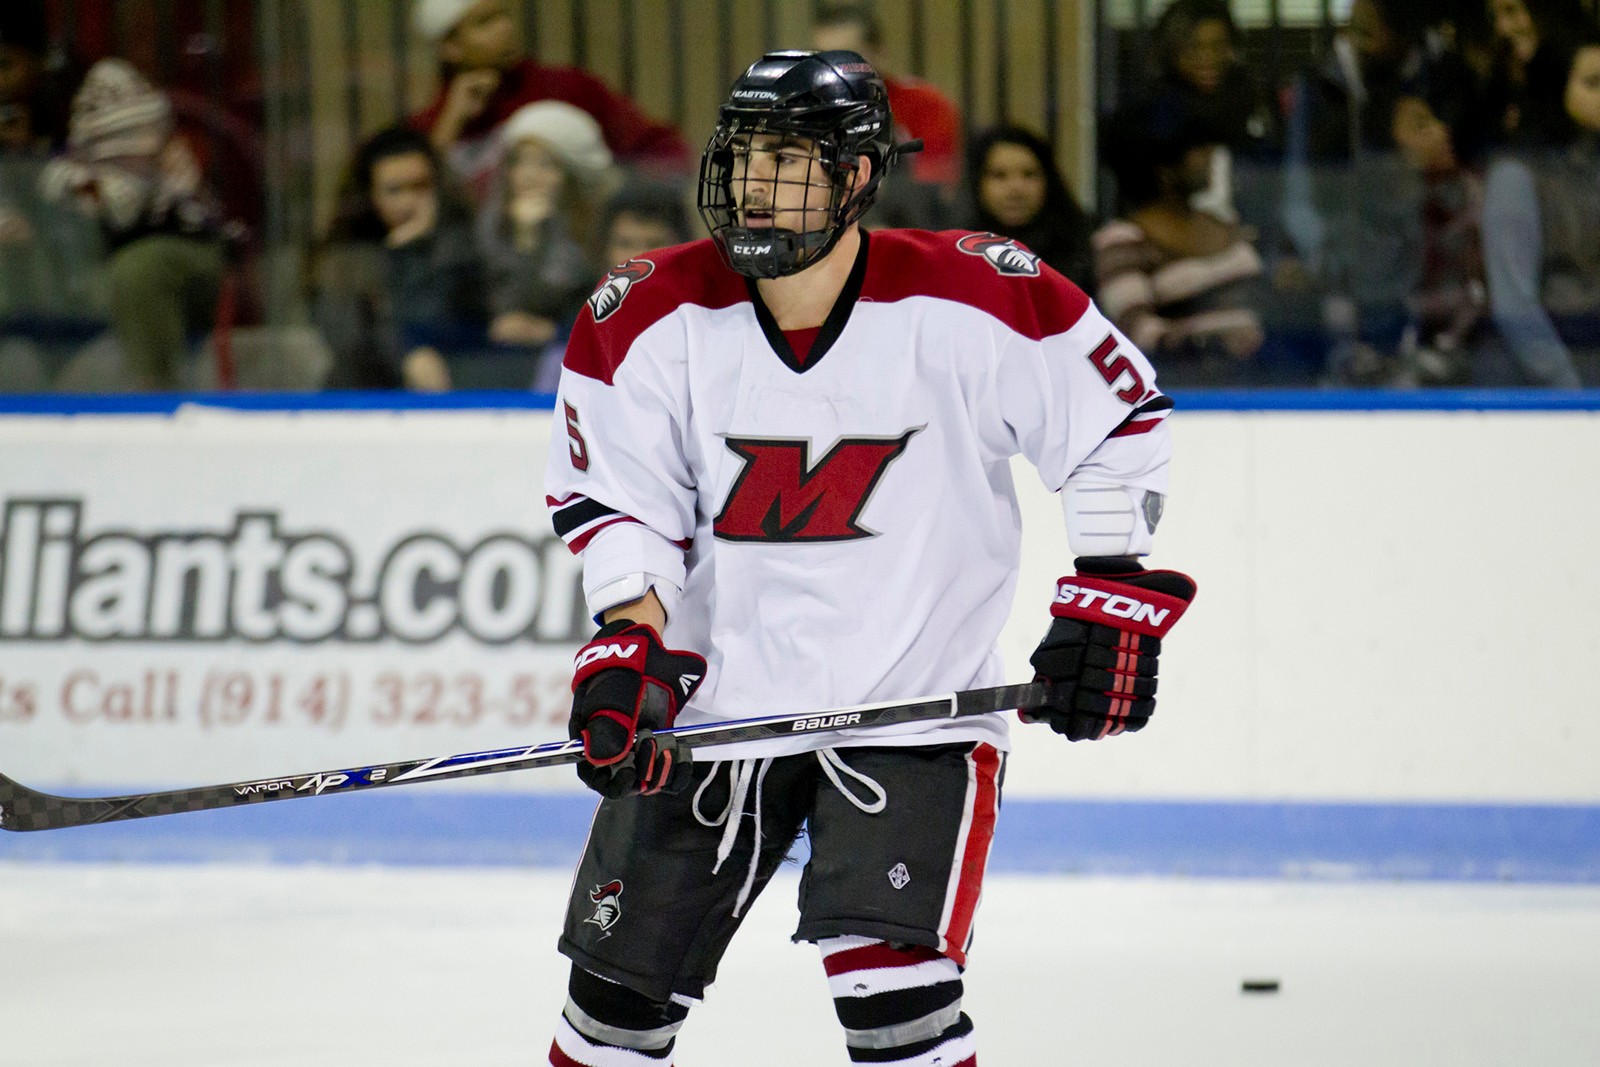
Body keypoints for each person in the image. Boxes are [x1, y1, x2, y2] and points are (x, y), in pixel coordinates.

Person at [541, 49, 1196, 1067]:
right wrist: (632, 637)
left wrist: (1109, 591)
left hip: (914, 702)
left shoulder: (972, 295)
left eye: (790, 160)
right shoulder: (649, 314)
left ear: (854, 177)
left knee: (891, 994)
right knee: (613, 1003)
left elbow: (1118, 415)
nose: (757, 185)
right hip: (719, 709)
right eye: (746, 156)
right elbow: (621, 498)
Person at [37, 58, 227, 391]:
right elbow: (61, 193)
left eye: (139, 139)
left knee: (140, 267)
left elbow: (128, 203)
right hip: (88, 309)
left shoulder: (168, 164)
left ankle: (157, 395)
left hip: (189, 269)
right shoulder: (70, 174)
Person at [409, 0, 689, 201]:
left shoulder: (567, 89)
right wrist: (452, 122)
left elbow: (662, 153)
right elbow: (412, 198)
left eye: (503, 15)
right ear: (450, 47)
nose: (505, 28)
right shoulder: (428, 125)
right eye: (485, 22)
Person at [1097, 101, 1268, 386]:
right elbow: (1136, 332)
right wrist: (1212, 343)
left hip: (1272, 380)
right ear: (1164, 168)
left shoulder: (1225, 222)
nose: (1211, 157)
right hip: (1190, 391)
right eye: (1198, 150)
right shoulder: (1122, 242)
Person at [312, 124, 485, 390]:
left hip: (453, 398)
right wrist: (399, 255)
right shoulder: (340, 259)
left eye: (420, 187)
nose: (408, 201)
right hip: (361, 401)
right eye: (395, 190)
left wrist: (414, 254)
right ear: (369, 196)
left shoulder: (462, 247)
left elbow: (460, 323)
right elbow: (350, 343)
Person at [1482, 35, 1600, 387]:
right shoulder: (1515, 177)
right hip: (1551, 388)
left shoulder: (1590, 167)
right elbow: (1515, 306)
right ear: (1556, 86)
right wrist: (1571, 394)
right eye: (1592, 83)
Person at [477, 100, 611, 384]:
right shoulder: (487, 225)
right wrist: (524, 240)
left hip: (571, 364)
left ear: (571, 176)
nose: (529, 174)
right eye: (520, 161)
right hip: (490, 361)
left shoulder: (594, 231)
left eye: (547, 165)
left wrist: (553, 331)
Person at [529, 179, 693, 393]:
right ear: (605, 249)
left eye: (654, 243)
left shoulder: (705, 324)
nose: (639, 258)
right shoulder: (577, 330)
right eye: (625, 244)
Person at [812, 2, 962, 227]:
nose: (834, 68)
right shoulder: (808, 112)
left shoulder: (925, 105)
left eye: (848, 57)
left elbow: (935, 189)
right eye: (824, 57)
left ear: (880, 53)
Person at [964, 124, 1096, 295]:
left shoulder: (1088, 246)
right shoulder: (958, 251)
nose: (1016, 189)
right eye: (999, 175)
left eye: (1029, 174)